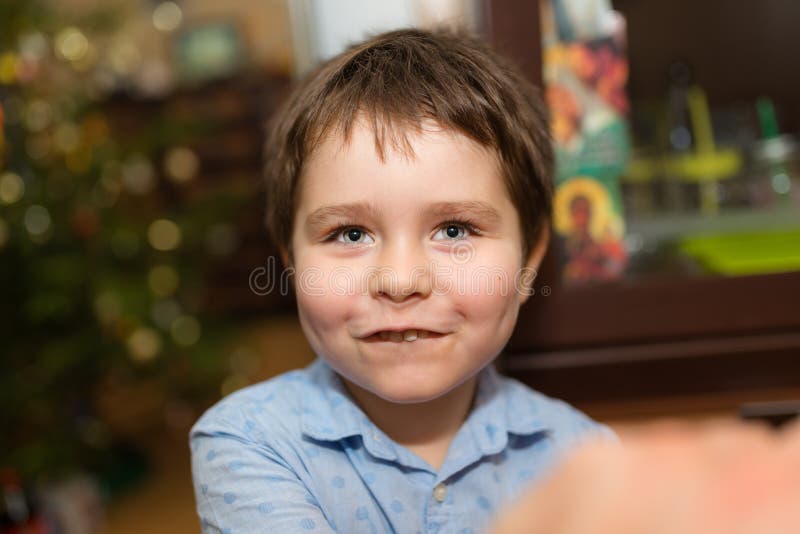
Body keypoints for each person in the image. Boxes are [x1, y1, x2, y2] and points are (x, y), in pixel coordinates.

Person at [189, 27, 614, 533]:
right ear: (292, 262)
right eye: (350, 234)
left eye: (454, 230)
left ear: (530, 260)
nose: (399, 279)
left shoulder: (588, 460)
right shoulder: (248, 442)